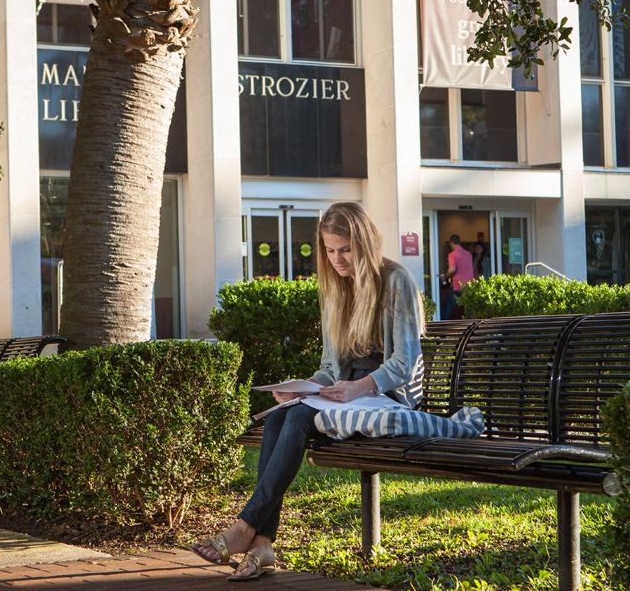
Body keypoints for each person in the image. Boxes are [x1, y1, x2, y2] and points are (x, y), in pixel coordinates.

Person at [187, 202, 425, 581]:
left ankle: (246, 527)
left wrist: (356, 389)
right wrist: (305, 388)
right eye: (330, 251)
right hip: (351, 394)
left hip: (389, 398)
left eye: (345, 249)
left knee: (299, 418)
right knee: (284, 414)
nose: (337, 259)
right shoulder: (335, 288)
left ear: (364, 242)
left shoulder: (395, 280)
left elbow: (404, 364)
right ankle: (263, 543)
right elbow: (331, 368)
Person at [439, 234, 473, 320]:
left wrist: (445, 277)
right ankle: (472, 329)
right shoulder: (468, 254)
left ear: (451, 243)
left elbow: (452, 269)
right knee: (469, 311)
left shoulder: (452, 255)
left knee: (447, 309)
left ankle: (438, 327)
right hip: (469, 286)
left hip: (457, 286)